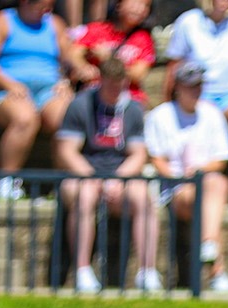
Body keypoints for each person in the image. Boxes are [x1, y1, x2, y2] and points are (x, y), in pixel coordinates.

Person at [55, 57, 159, 294]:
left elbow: (138, 154)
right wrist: (93, 177)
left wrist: (117, 178)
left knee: (143, 197)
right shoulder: (81, 104)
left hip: (121, 175)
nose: (115, 90)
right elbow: (67, 151)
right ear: (101, 81)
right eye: (111, 85)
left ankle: (147, 272)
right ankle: (82, 270)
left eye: (120, 85)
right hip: (82, 173)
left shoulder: (132, 108)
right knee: (85, 195)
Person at [146, 63, 228, 292]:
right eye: (190, 86)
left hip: (204, 186)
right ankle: (216, 267)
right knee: (215, 190)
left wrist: (198, 172)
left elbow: (222, 159)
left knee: (215, 185)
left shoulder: (212, 114)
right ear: (177, 87)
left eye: (198, 86)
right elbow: (156, 159)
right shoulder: (160, 115)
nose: (195, 91)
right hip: (174, 189)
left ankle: (209, 246)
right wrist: (181, 176)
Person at [165, 0, 228, 206]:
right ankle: (194, 189)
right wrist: (168, 105)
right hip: (197, 94)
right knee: (199, 121)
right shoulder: (188, 22)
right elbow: (173, 67)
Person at [0, 0, 78, 196]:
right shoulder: (1, 21)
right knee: (25, 119)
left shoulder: (55, 24)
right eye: (42, 5)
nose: (46, 9)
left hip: (49, 88)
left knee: (65, 119)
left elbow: (70, 59)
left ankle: (63, 182)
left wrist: (66, 81)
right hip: (10, 88)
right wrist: (9, 84)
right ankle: (7, 180)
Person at [72, 0, 156, 105]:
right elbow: (73, 53)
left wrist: (109, 58)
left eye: (146, 6)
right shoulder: (98, 29)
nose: (140, 9)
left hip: (127, 98)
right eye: (134, 2)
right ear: (119, 4)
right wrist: (83, 67)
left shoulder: (144, 38)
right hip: (93, 94)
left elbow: (137, 75)